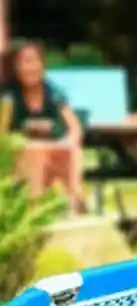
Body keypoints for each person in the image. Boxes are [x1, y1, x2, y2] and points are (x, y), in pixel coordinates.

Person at [0, 41, 84, 212]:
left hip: (53, 153)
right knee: (34, 154)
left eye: (34, 61)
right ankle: (33, 207)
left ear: (42, 65)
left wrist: (68, 142)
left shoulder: (53, 93)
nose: (30, 68)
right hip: (19, 155)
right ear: (16, 67)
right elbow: (2, 132)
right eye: (25, 62)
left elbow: (75, 127)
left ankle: (73, 203)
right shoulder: (8, 95)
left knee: (73, 152)